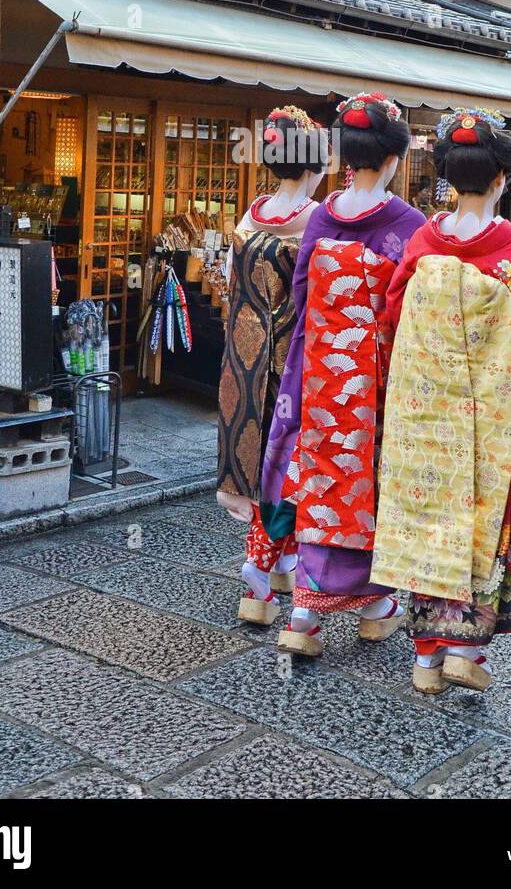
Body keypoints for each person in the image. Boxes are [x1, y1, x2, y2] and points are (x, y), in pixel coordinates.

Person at [371, 108, 511, 695]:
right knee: (484, 518)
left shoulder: (424, 240)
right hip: (488, 419)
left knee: (426, 516)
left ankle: (427, 657)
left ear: (450, 180)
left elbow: (391, 314)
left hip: (425, 419)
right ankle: (466, 649)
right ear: (504, 179)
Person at [260, 92, 425, 658]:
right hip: (376, 380)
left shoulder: (323, 215)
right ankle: (375, 604)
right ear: (395, 159)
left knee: (318, 480)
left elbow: (301, 293)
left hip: (317, 374)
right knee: (370, 486)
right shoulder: (408, 224)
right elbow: (412, 313)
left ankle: (304, 617)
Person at [216, 106, 328, 626]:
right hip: (287, 356)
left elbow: (230, 286)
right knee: (289, 461)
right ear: (311, 168)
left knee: (255, 454)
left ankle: (274, 563)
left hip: (242, 351)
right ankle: (259, 571)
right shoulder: (312, 221)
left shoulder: (250, 212)